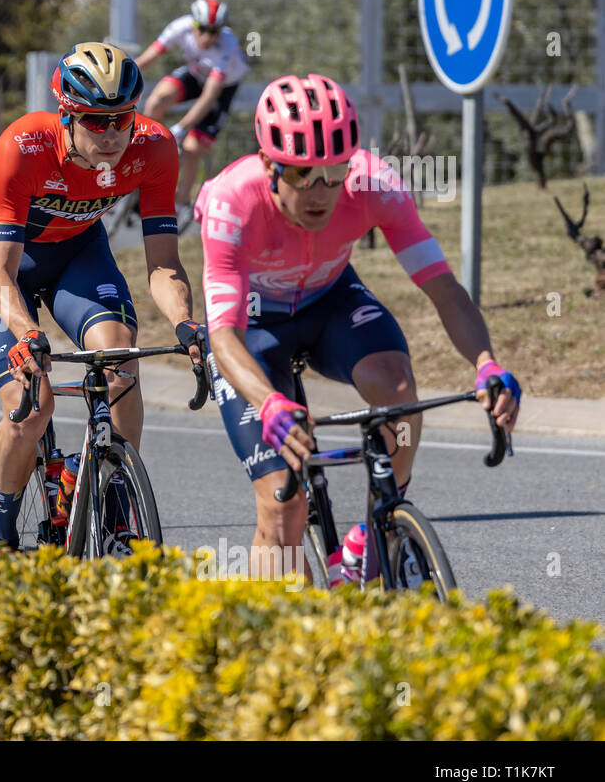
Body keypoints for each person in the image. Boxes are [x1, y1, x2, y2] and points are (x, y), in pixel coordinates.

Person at [195, 72, 521, 575]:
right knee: (283, 507)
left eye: (336, 170)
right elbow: (223, 336)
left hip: (330, 303)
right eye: (304, 174)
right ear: (268, 164)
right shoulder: (230, 202)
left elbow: (444, 289)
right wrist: (269, 402)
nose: (322, 189)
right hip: (253, 329)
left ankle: (376, 531)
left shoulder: (373, 183)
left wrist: (486, 363)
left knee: (398, 389)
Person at [0, 41, 204, 550]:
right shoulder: (23, 145)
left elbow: (163, 263)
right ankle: (0, 543)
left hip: (78, 250)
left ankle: (114, 503)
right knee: (31, 404)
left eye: (122, 117)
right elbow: (0, 274)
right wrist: (30, 334)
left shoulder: (154, 147)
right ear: (68, 115)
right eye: (96, 121)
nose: (114, 133)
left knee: (119, 361)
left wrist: (187, 324)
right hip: (5, 258)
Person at [134, 0, 249, 224]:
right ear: (193, 24)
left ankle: (181, 203)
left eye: (213, 31)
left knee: (192, 147)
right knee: (157, 100)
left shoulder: (227, 45)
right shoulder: (180, 27)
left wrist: (180, 128)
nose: (207, 37)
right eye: (202, 29)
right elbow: (146, 60)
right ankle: (150, 144)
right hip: (196, 74)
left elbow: (209, 97)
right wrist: (116, 82)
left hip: (222, 87)